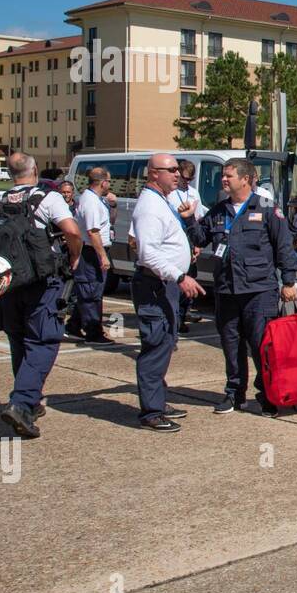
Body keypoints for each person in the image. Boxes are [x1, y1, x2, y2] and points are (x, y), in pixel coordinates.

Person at [186, 158, 297, 416]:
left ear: (245, 179)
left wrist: (289, 281)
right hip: (227, 290)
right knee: (231, 344)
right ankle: (234, 394)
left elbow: (284, 245)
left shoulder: (268, 208)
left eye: (228, 176)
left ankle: (268, 395)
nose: (223, 180)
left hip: (259, 291)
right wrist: (190, 219)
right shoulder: (218, 210)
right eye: (223, 176)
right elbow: (201, 238)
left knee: (262, 347)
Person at [0, 153, 82, 440]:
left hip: (9, 283)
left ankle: (28, 401)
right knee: (42, 342)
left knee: (18, 340)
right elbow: (71, 230)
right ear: (34, 170)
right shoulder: (48, 198)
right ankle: (21, 403)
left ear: (9, 173)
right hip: (42, 282)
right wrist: (75, 256)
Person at [129, 153, 205, 432]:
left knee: (165, 342)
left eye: (177, 170)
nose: (178, 174)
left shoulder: (164, 200)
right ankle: (151, 412)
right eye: (171, 170)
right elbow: (147, 253)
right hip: (155, 285)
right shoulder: (149, 206)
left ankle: (158, 401)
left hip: (165, 286)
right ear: (153, 173)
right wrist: (179, 276)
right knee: (156, 345)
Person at [67, 166, 116, 344]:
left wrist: (114, 204)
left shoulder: (97, 200)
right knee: (91, 293)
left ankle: (74, 325)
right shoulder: (90, 201)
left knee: (91, 291)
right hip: (91, 251)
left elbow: (108, 222)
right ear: (103, 182)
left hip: (95, 249)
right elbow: (93, 232)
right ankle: (93, 332)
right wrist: (102, 256)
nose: (110, 185)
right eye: (109, 181)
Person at [170, 159, 208, 333]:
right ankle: (174, 318)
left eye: (190, 179)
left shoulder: (193, 193)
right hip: (176, 239)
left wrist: (197, 245)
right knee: (177, 282)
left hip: (190, 239)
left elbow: (198, 218)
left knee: (191, 277)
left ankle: (183, 314)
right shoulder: (170, 193)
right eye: (185, 178)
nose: (187, 182)